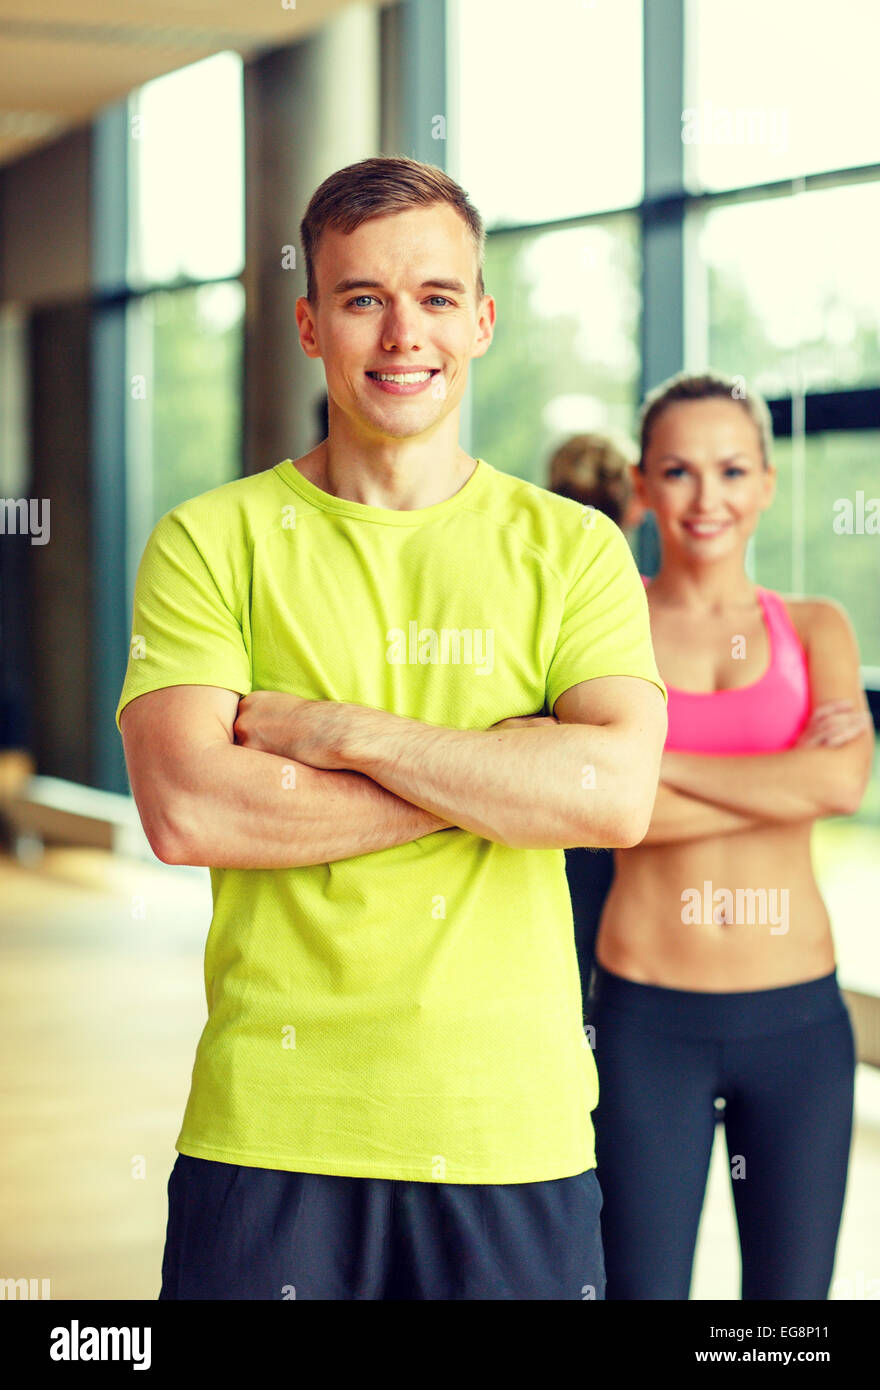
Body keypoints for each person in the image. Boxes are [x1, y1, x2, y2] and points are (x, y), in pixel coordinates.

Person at [115, 155, 668, 1301]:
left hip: (510, 1130)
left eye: (433, 297)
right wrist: (498, 774)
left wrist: (339, 731)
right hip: (271, 1128)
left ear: (481, 319)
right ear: (312, 324)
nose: (400, 333)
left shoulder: (572, 551)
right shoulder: (211, 540)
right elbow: (186, 807)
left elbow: (608, 797)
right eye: (363, 298)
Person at [587, 370, 874, 1300]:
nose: (707, 498)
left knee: (787, 1325)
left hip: (798, 1024)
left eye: (732, 470)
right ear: (640, 485)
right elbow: (596, 806)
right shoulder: (604, 624)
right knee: (641, 1291)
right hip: (644, 1023)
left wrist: (655, 765)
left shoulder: (816, 625)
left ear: (767, 484)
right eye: (677, 471)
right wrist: (777, 782)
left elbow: (841, 779)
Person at [546, 432, 646, 1006]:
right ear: (635, 502)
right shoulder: (637, 601)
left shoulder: (536, 588)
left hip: (563, 828)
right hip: (618, 847)